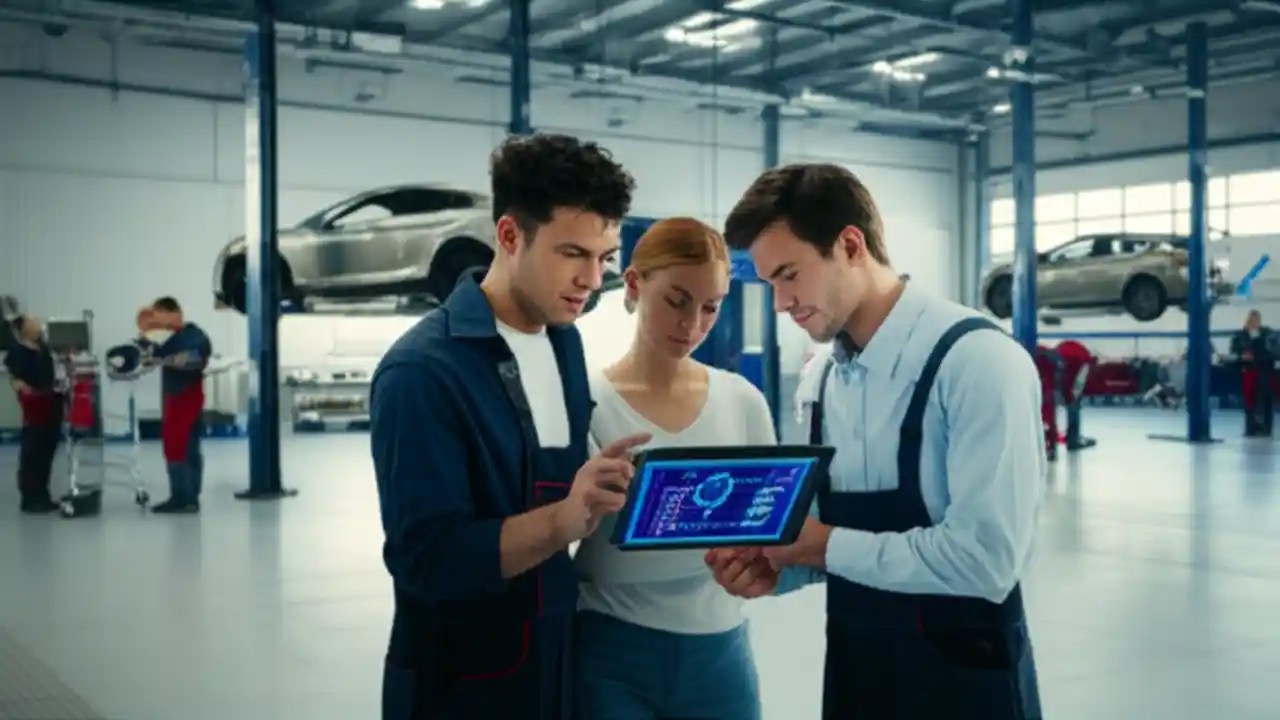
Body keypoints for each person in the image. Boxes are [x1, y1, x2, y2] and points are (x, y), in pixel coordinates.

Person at [706, 163, 1046, 719]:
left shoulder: (976, 362)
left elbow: (986, 561)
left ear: (849, 244)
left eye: (790, 275)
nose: (780, 303)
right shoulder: (822, 380)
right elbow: (849, 544)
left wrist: (815, 545)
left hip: (966, 686)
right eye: (770, 284)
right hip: (858, 676)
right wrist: (783, 569)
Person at [369, 133, 649, 720]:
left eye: (604, 258)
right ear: (509, 236)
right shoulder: (421, 372)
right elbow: (428, 561)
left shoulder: (565, 344)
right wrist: (565, 519)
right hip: (459, 681)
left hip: (555, 659)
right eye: (572, 253)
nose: (593, 280)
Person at [572, 218, 777, 720]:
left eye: (711, 307)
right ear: (636, 285)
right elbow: (568, 538)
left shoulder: (742, 401)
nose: (693, 325)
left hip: (720, 653)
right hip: (610, 647)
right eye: (677, 300)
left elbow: (770, 537)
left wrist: (762, 569)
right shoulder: (586, 400)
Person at [135, 297, 212, 514]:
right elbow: (153, 355)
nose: (156, 320)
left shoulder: (193, 336)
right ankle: (188, 497)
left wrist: (166, 360)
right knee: (184, 447)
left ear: (172, 313)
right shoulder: (174, 339)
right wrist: (144, 333)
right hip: (176, 399)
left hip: (185, 399)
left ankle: (183, 498)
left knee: (181, 447)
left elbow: (192, 360)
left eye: (157, 314)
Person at [4, 314, 63, 513]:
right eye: (34, 322)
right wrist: (25, 391)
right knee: (32, 452)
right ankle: (29, 498)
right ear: (24, 329)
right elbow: (16, 379)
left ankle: (43, 495)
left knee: (47, 451)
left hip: (51, 401)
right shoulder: (18, 352)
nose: (39, 324)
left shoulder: (44, 348)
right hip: (34, 405)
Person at [1231, 309, 1276, 437]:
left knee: (1265, 399)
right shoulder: (1240, 336)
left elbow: (1272, 351)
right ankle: (1251, 427)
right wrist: (1242, 356)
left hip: (1265, 371)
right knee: (1250, 400)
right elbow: (1235, 351)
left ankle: (1265, 427)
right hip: (1249, 371)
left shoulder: (1267, 333)